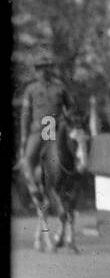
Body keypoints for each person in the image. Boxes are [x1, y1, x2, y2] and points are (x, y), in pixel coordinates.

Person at [18, 52, 76, 193]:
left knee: (72, 152)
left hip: (57, 128)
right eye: (40, 68)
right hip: (39, 129)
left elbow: (72, 106)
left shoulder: (60, 87)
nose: (43, 71)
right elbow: (25, 114)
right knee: (28, 158)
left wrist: (66, 117)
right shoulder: (30, 89)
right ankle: (33, 187)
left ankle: (74, 177)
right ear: (36, 71)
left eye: (46, 67)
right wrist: (24, 135)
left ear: (50, 69)